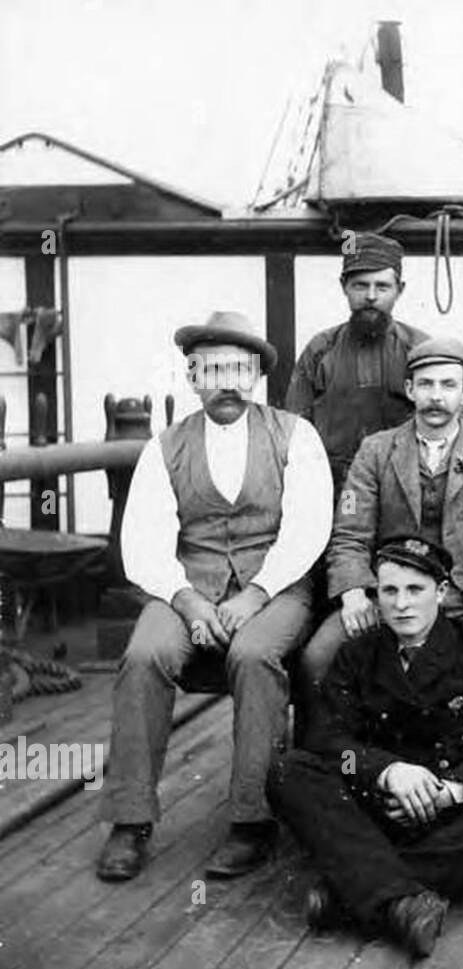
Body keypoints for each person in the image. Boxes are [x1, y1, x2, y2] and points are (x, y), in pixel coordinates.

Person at [97, 311, 332, 883]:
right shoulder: (166, 448)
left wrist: (255, 594)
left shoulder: (294, 435)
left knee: (253, 656)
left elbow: (309, 529)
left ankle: (252, 820)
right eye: (213, 369)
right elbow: (144, 540)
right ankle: (130, 819)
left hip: (275, 584)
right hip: (189, 584)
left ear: (256, 377)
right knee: (143, 655)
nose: (227, 381)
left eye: (239, 369)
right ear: (193, 377)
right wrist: (188, 601)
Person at [268, 537, 463, 958]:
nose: (402, 604)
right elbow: (327, 740)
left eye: (415, 590)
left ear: (441, 593)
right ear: (377, 596)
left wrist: (450, 790)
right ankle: (405, 897)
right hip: (381, 808)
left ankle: (359, 889)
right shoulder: (356, 655)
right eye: (389, 591)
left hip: (454, 814)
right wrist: (388, 772)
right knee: (288, 771)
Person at [299, 335, 463, 706]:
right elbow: (349, 534)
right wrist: (355, 592)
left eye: (449, 385)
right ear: (410, 389)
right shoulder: (374, 451)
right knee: (318, 658)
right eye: (426, 384)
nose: (437, 396)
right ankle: (333, 753)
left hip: (462, 598)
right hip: (388, 595)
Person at [284, 233, 430, 495]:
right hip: (335, 485)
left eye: (382, 286)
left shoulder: (420, 350)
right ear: (344, 286)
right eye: (360, 286)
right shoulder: (321, 349)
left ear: (400, 289)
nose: (371, 296)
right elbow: (295, 427)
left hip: (404, 485)